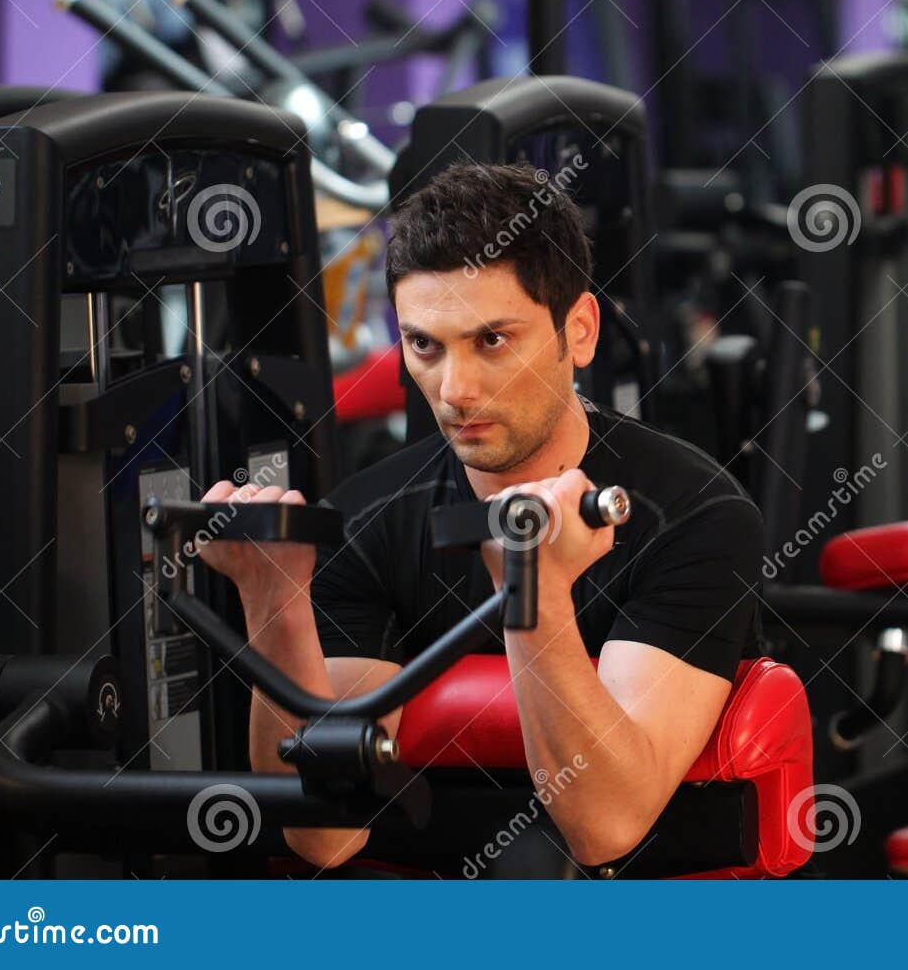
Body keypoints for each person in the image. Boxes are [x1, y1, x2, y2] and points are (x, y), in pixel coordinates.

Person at [198, 161, 765, 872]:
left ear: (579, 331)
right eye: (424, 346)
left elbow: (608, 823)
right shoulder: (368, 523)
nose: (455, 390)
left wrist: (536, 594)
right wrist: (275, 602)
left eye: (492, 340)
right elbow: (324, 836)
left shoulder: (695, 515)